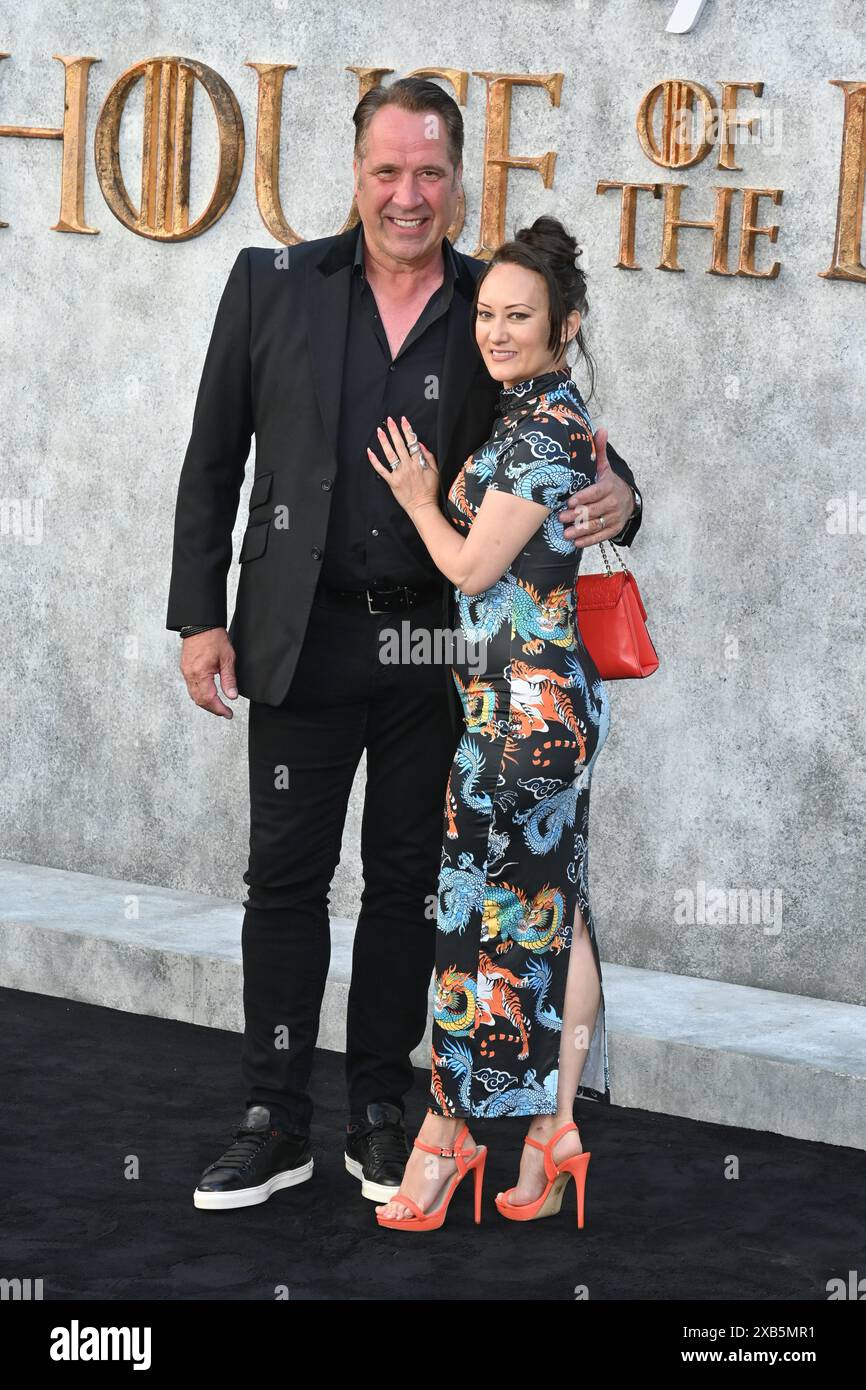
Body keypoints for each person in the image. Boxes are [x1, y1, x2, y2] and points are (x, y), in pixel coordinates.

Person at [165, 77, 643, 1212]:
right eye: (387, 171)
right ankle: (271, 1120)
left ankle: (382, 1108)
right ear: (355, 173)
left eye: (429, 172)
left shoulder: (496, 302)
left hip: (441, 657)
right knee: (281, 883)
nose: (407, 194)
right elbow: (209, 460)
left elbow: (566, 447)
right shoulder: (271, 283)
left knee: (409, 888)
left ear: (456, 178)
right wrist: (197, 615)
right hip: (299, 636)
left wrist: (624, 497)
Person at [369, 216, 613, 1230]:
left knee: (478, 918)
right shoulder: (533, 415)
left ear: (563, 325)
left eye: (519, 316)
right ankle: (552, 1131)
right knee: (554, 907)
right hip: (511, 697)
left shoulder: (549, 428)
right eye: (487, 313)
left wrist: (422, 497)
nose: (496, 331)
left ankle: (447, 1129)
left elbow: (471, 568)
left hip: (528, 711)